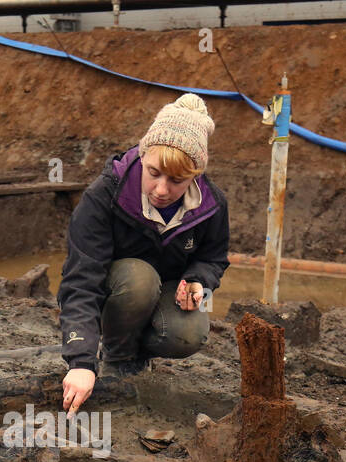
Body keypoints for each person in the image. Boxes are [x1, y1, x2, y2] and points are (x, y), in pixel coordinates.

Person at [58, 93, 230, 416]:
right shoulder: (104, 195)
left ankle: (138, 353)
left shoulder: (212, 205)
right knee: (140, 279)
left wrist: (198, 282)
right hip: (121, 288)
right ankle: (118, 357)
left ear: (195, 175)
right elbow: (81, 280)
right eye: (153, 173)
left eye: (176, 180)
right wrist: (81, 361)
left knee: (190, 334)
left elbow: (214, 258)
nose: (162, 190)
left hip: (162, 292)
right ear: (143, 154)